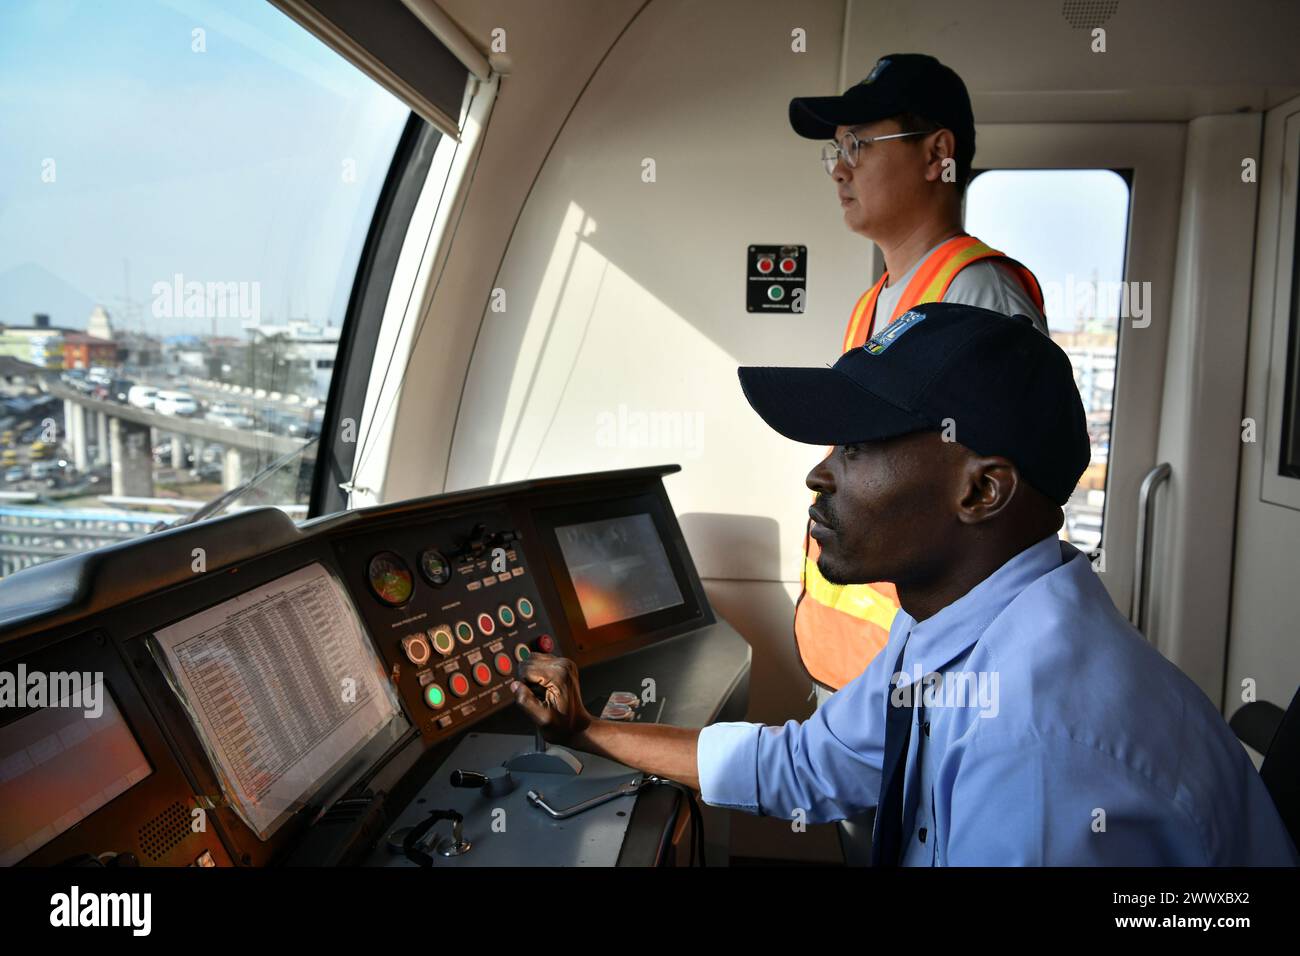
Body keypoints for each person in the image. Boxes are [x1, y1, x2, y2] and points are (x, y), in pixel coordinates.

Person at [510, 302, 1299, 865]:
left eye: (858, 446)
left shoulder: (1035, 755)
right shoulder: (952, 626)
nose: (819, 472)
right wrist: (586, 729)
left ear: (981, 491)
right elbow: (807, 766)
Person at [790, 53, 1047, 700]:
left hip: (926, 684)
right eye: (835, 150)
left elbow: (1010, 516)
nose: (839, 167)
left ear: (938, 155)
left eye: (858, 144)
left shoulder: (979, 297)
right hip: (854, 673)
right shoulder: (871, 305)